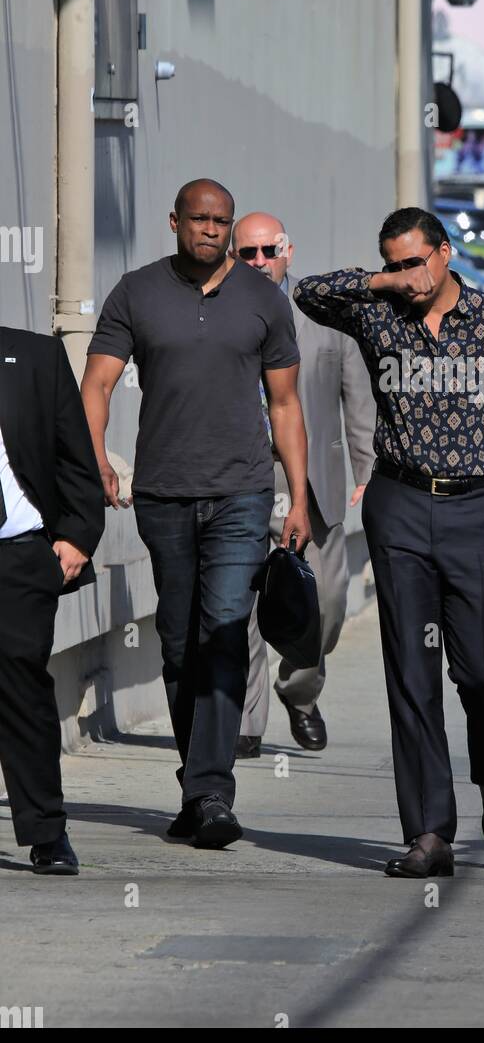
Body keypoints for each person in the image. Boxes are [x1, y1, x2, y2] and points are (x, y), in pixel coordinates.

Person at [293, 208, 484, 878]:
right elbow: (308, 291)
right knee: (411, 672)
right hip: (398, 503)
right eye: (394, 263)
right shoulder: (376, 313)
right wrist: (381, 283)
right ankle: (428, 832)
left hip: (476, 508)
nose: (408, 276)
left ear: (445, 253)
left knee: (481, 668)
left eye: (415, 262)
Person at [81, 180, 310, 850]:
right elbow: (96, 383)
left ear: (231, 227)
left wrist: (296, 494)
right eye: (199, 220)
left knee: (224, 629)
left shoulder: (265, 299)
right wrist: (95, 457)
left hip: (242, 491)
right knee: (179, 641)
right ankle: (198, 785)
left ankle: (212, 791)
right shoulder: (137, 291)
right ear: (176, 220)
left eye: (221, 221)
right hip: (163, 492)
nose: (210, 230)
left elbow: (288, 406)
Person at [231, 212, 376, 758]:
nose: (260, 263)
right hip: (243, 479)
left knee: (327, 605)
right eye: (247, 254)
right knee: (241, 603)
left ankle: (299, 689)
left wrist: (367, 467)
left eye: (269, 251)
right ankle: (246, 725)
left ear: (289, 251)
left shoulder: (327, 320)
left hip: (313, 483)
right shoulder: (218, 314)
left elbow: (356, 397)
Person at [0, 326, 105, 875]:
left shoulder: (34, 356)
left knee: (20, 681)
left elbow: (74, 456)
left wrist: (76, 537)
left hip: (18, 552)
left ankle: (46, 832)